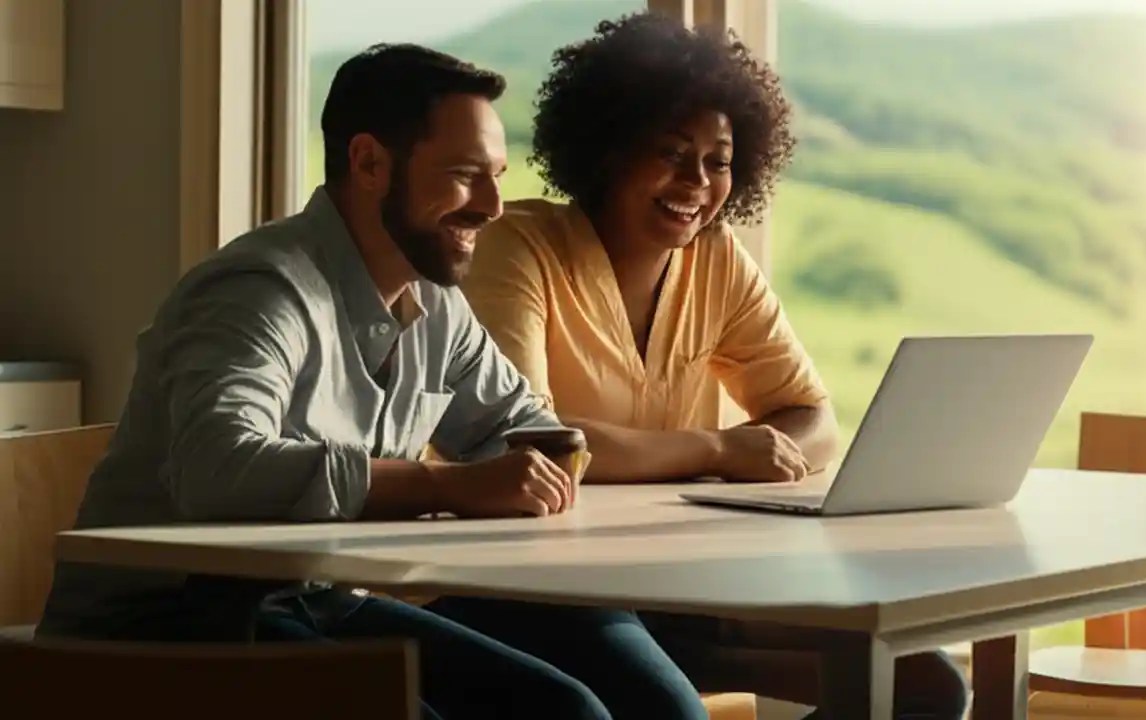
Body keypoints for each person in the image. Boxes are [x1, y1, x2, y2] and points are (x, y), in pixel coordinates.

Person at [36, 43, 696, 720]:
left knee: (590, 700)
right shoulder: (258, 291)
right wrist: (448, 486)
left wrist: (550, 461)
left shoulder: (433, 299)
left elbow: (520, 424)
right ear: (370, 162)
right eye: (468, 175)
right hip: (161, 627)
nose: (495, 205)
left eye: (497, 175)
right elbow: (216, 467)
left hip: (316, 601)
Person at [456, 13, 969, 719]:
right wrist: (720, 449)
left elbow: (814, 420)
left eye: (719, 160)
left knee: (924, 684)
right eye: (670, 153)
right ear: (606, 149)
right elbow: (534, 443)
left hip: (681, 582)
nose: (697, 181)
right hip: (540, 587)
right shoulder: (516, 248)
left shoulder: (717, 260)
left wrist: (751, 454)